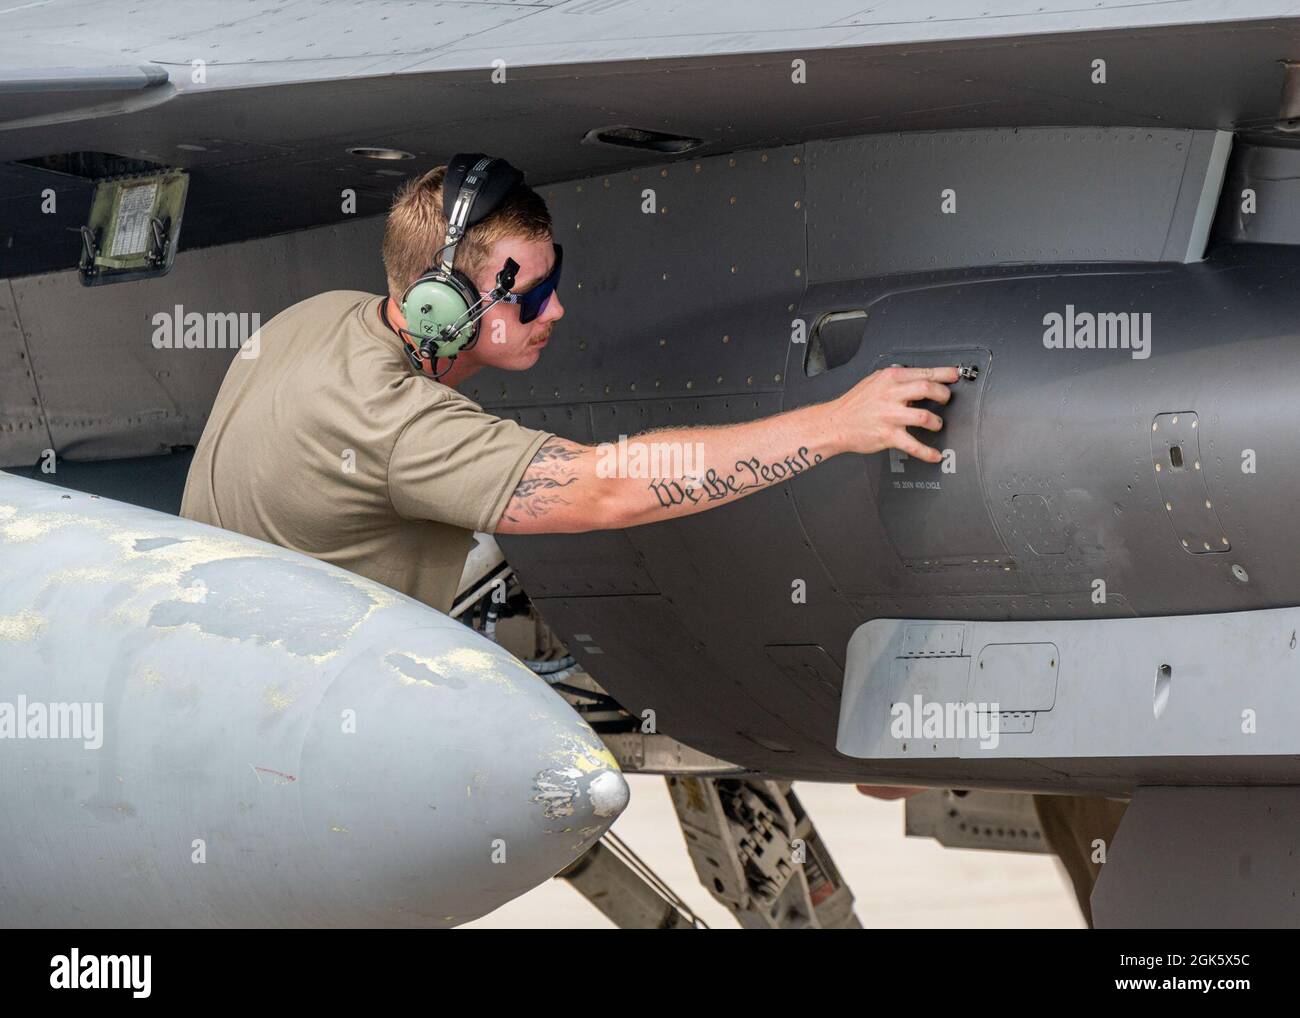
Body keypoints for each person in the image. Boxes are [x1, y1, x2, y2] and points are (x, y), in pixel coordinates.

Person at [181, 154, 957, 613]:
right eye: (525, 298)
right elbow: (603, 491)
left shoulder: (315, 318)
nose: (556, 308)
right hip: (293, 751)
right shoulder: (395, 425)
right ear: (438, 307)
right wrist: (834, 424)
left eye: (555, 280)